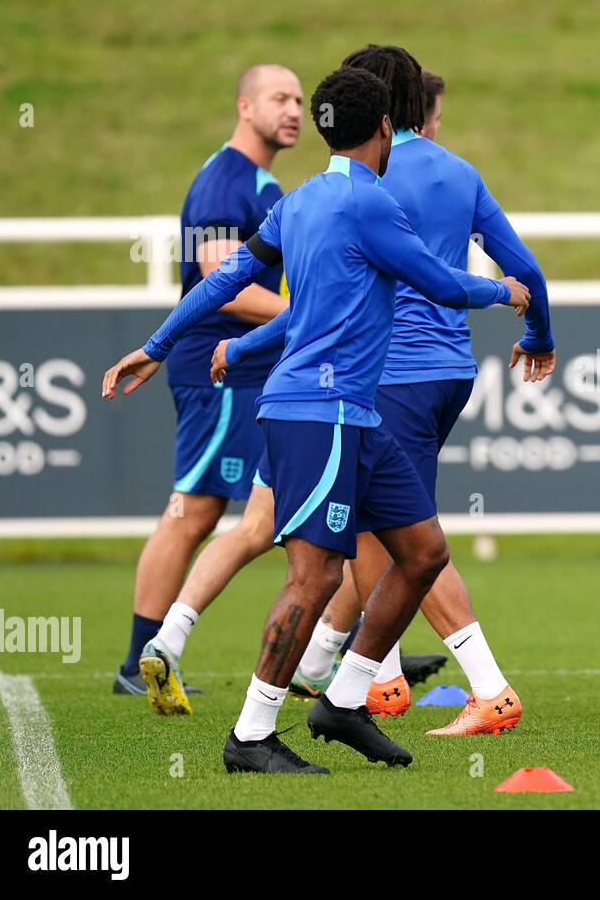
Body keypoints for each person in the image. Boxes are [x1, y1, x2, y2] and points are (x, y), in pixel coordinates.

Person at [103, 66, 529, 773]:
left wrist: (160, 343)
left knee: (422, 552)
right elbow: (441, 282)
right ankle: (250, 734)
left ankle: (345, 698)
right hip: (319, 414)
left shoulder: (299, 203)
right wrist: (505, 289)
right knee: (317, 577)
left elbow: (236, 284)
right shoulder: (371, 205)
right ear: (388, 127)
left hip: (354, 416)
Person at [214, 45, 553, 735]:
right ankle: (372, 685)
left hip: (379, 378)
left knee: (392, 542)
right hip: (449, 371)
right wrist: (541, 334)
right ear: (421, 109)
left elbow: (318, 305)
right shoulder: (458, 172)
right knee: (395, 534)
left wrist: (244, 344)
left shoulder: (352, 186)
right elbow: (525, 269)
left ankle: (478, 686)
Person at [114, 64, 301, 698]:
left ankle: (351, 651)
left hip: (247, 366)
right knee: (193, 510)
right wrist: (308, 313)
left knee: (272, 508)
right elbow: (223, 278)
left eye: (300, 99)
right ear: (245, 106)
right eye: (280, 97)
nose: (294, 109)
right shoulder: (227, 180)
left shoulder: (257, 179)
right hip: (219, 368)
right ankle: (137, 662)